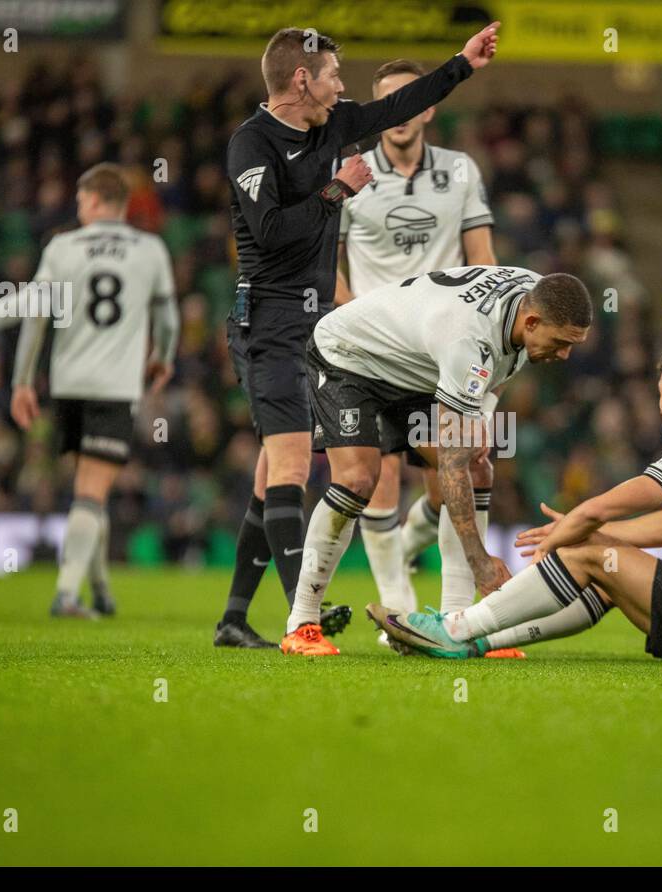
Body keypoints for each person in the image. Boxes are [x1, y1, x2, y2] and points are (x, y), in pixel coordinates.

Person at [216, 22, 501, 650]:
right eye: (334, 76)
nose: (343, 88)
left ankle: (234, 619)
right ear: (301, 80)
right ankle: (303, 616)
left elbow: (394, 106)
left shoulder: (334, 123)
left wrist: (461, 64)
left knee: (274, 476)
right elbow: (269, 231)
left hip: (324, 325)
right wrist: (335, 190)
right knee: (294, 463)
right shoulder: (251, 145)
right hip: (267, 318)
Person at [368, 344, 662, 663]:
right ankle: (480, 641)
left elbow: (601, 507)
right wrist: (594, 534)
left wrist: (574, 528)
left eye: (660, 398)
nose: (659, 407)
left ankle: (454, 629)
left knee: (588, 555)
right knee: (607, 571)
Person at [283, 265, 592, 655]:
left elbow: (499, 367)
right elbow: (450, 463)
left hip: (416, 370)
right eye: (561, 342)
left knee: (478, 463)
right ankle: (303, 623)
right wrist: (480, 559)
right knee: (359, 478)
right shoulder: (470, 338)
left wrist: (478, 420)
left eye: (573, 345)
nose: (565, 354)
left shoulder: (535, 297)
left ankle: (457, 626)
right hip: (350, 356)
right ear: (531, 321)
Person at [335, 57, 504, 647]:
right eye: (388, 103)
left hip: (445, 349)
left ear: (427, 109)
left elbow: (482, 259)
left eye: (410, 101)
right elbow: (328, 265)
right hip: (379, 348)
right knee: (377, 474)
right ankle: (400, 610)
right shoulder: (351, 173)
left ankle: (409, 546)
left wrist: (491, 339)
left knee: (450, 478)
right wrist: (353, 326)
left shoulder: (460, 171)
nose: (400, 114)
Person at [9, 163, 179, 618]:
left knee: (90, 488)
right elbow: (167, 317)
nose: (78, 209)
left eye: (82, 201)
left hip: (69, 385)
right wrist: (163, 354)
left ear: (101, 200)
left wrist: (22, 381)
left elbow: (36, 318)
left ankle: (101, 589)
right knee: (92, 490)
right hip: (113, 385)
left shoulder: (63, 247)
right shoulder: (149, 249)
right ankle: (66, 594)